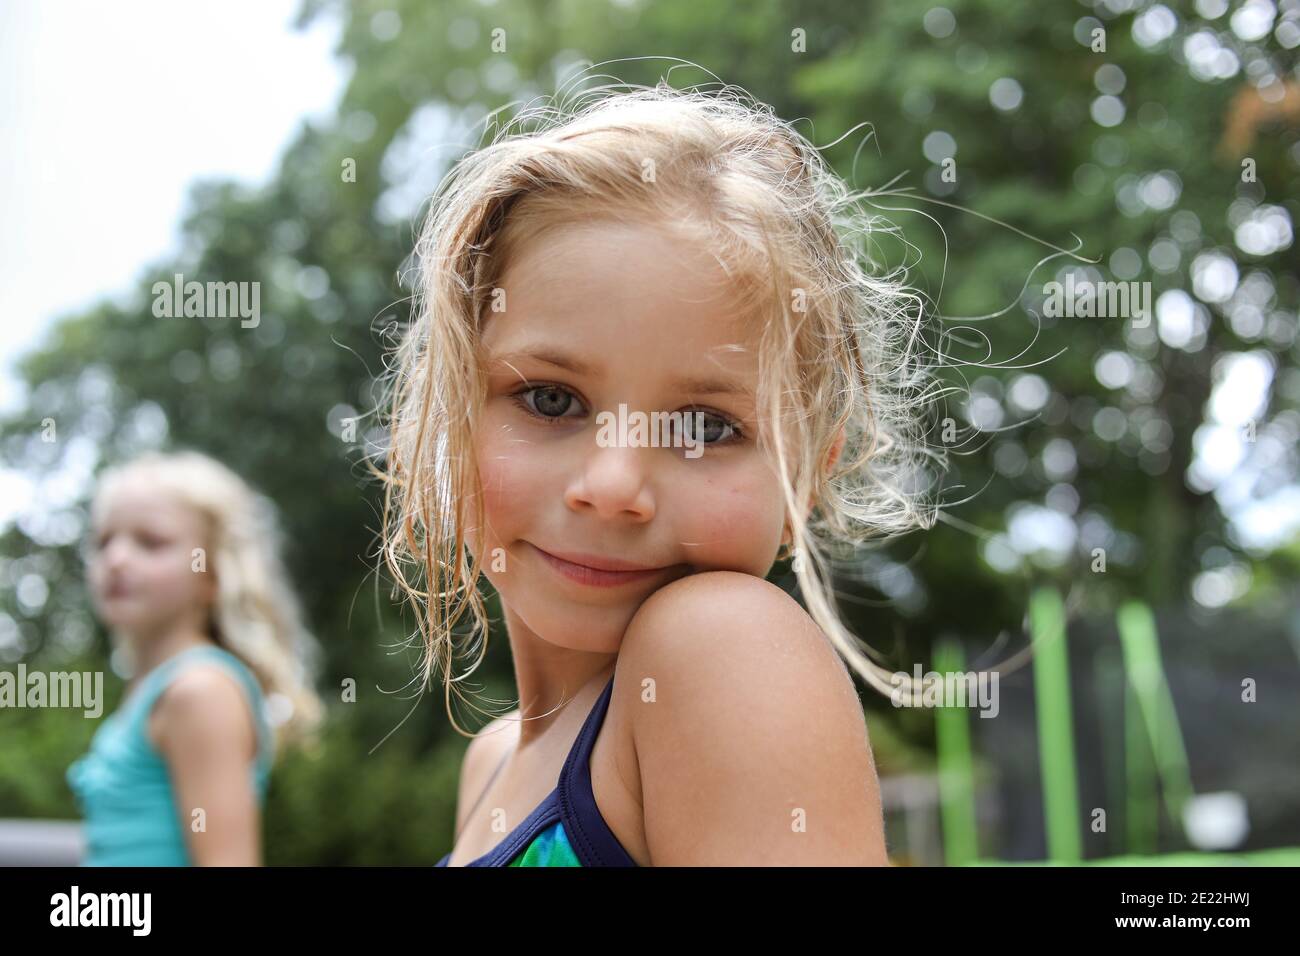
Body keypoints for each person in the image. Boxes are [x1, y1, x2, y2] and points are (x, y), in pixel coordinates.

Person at [379, 76, 938, 866]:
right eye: (550, 399)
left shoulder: (719, 647)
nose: (611, 486)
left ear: (809, 471)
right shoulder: (491, 763)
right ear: (451, 413)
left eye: (706, 427)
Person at [68, 450, 322, 865]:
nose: (115, 559)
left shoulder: (200, 690)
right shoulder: (155, 686)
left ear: (213, 574)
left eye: (150, 542)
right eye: (102, 541)